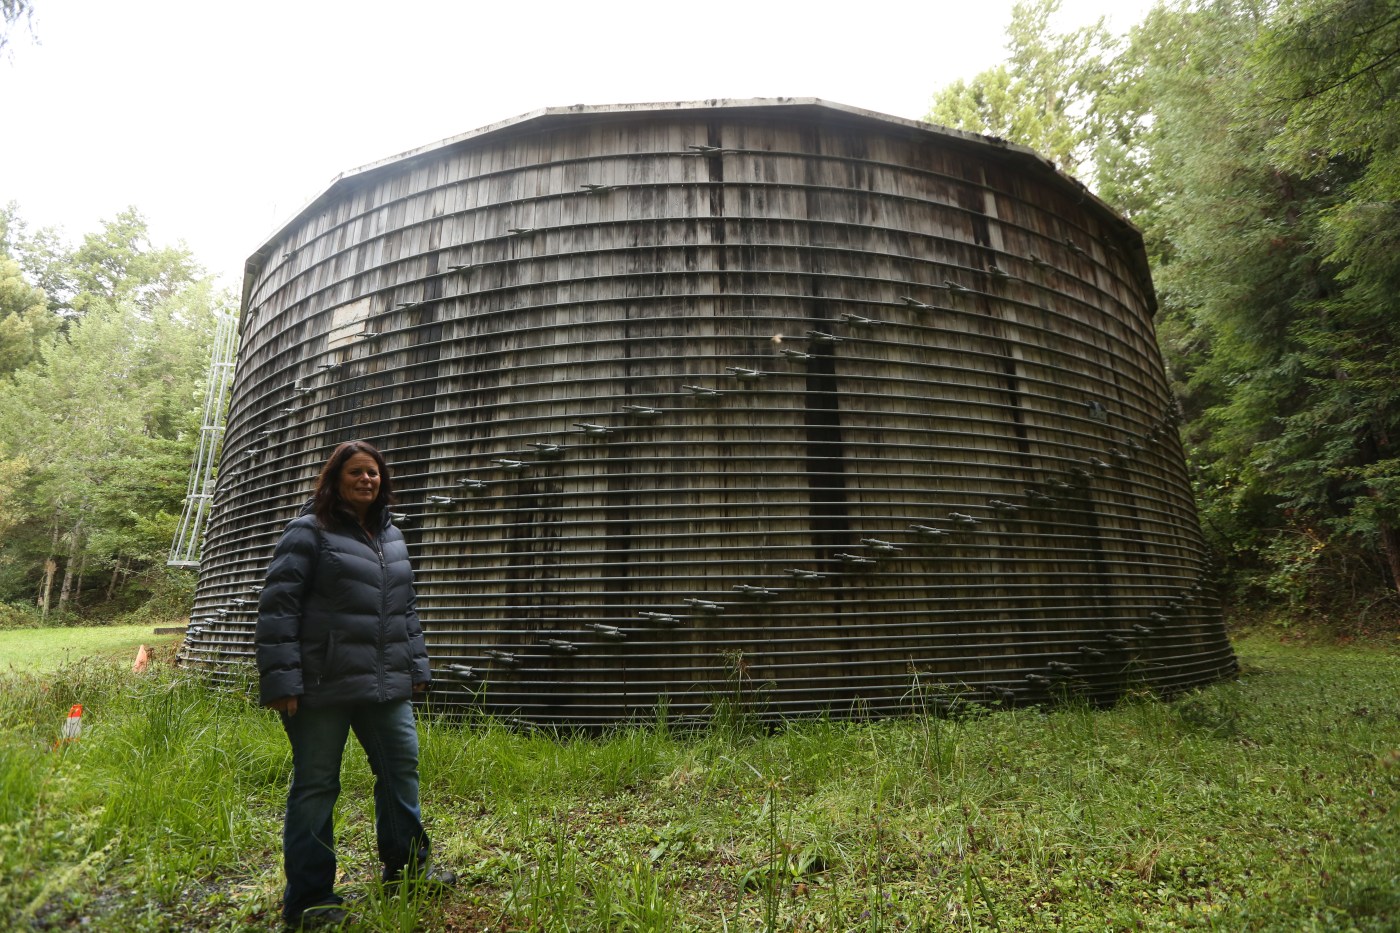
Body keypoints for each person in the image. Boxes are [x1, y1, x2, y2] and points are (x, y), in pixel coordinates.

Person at [256, 440, 452, 930]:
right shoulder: (309, 531)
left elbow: (406, 610)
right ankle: (310, 900)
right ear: (335, 479)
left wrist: (417, 669)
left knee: (401, 771)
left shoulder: (391, 536)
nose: (367, 479)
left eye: (374, 473)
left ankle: (408, 869)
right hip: (321, 685)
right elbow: (278, 607)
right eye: (356, 472)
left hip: (385, 683)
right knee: (317, 785)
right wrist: (282, 681)